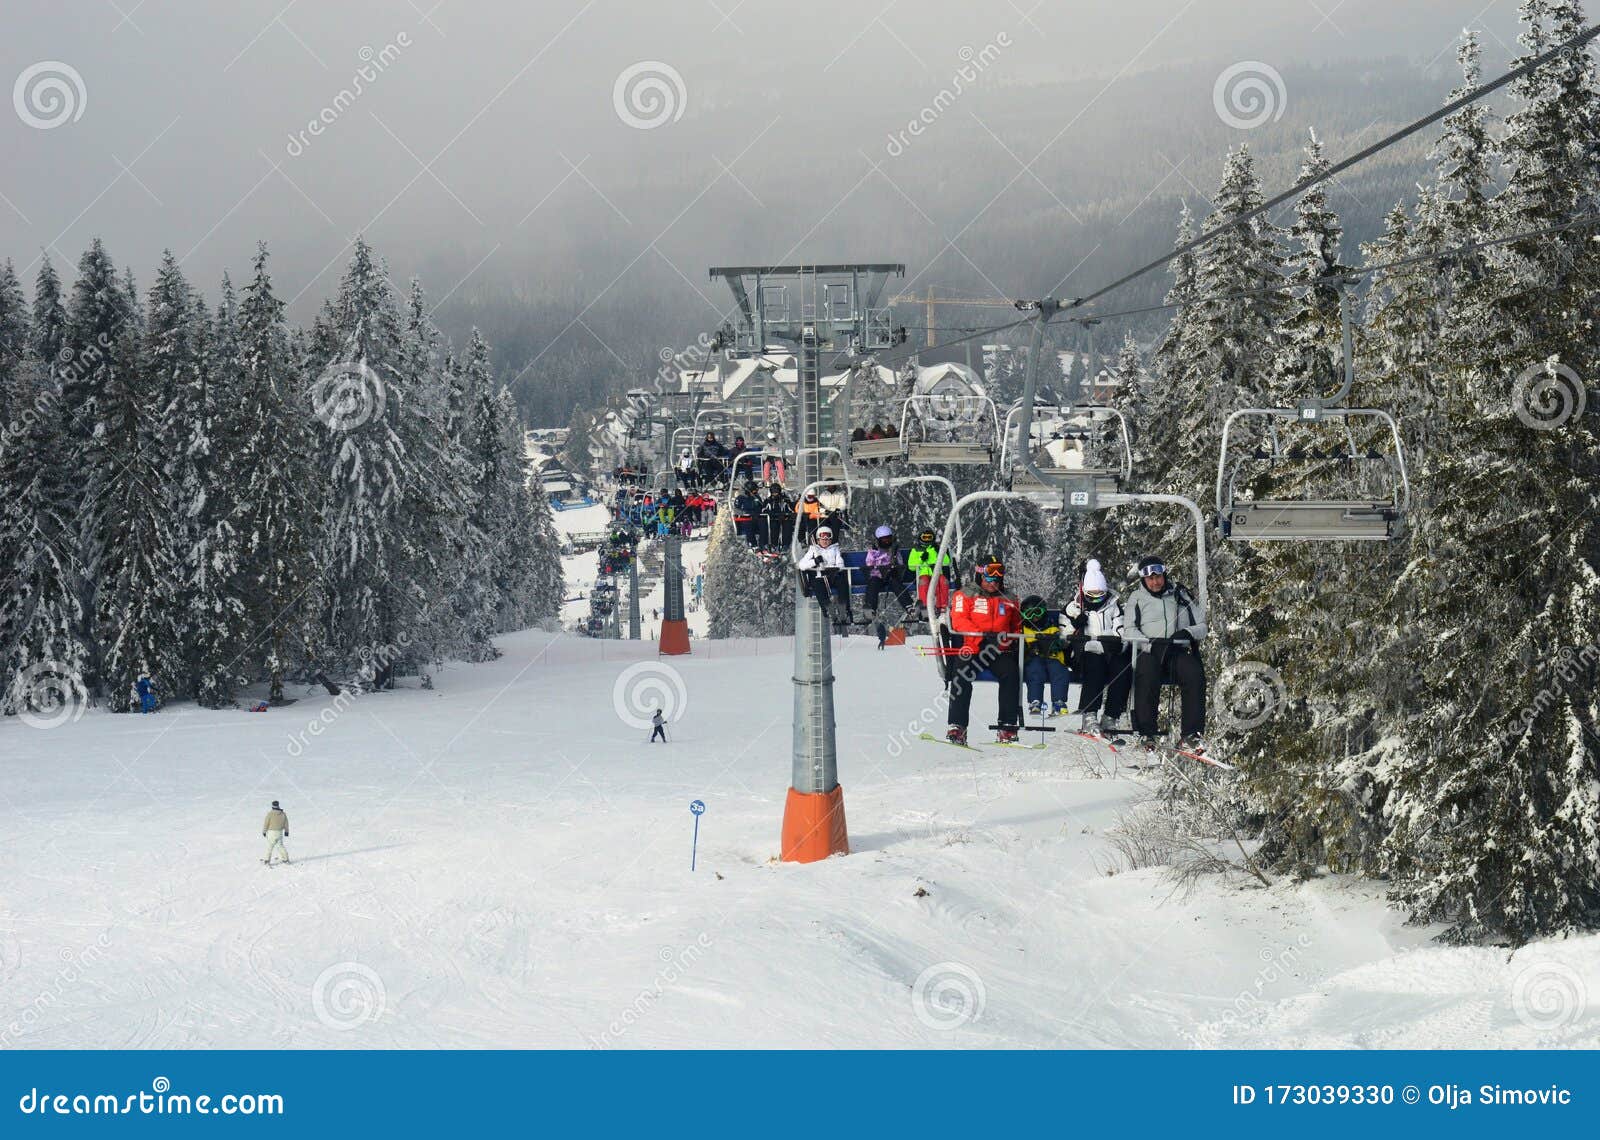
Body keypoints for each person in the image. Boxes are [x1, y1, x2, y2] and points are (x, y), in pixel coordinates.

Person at [1126, 554, 1207, 752]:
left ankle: (1191, 733)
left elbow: (1202, 627)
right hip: (1149, 651)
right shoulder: (1136, 598)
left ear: (1164, 575)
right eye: (1150, 579)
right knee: (1147, 672)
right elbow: (1129, 630)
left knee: (1193, 672)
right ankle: (1147, 732)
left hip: (1174, 650)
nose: (1155, 582)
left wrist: (1186, 632)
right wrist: (1150, 644)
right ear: (1143, 580)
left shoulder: (1179, 595)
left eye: (1159, 577)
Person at [942, 557, 1023, 745]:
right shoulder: (965, 595)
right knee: (961, 674)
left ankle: (1007, 727)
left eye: (997, 579)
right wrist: (981, 636)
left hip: (997, 649)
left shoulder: (1009, 598)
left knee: (1011, 673)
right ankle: (958, 726)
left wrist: (1009, 638)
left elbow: (1017, 625)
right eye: (988, 578)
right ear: (979, 575)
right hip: (973, 646)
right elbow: (959, 620)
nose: (992, 583)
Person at [1062, 558, 1132, 734]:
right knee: (1095, 667)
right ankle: (1090, 714)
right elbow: (1062, 634)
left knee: (1123, 669)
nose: (1095, 600)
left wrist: (1118, 644)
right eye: (1091, 596)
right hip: (1084, 653)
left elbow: (1122, 630)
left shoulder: (1114, 607)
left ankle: (1111, 716)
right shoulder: (1074, 607)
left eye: (1099, 595)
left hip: (1110, 651)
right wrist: (1076, 627)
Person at [1019, 595, 1072, 717]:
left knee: (1060, 671)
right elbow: (1020, 647)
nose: (1035, 618)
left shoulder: (1053, 627)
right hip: (1035, 659)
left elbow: (1063, 641)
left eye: (1037, 612)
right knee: (1034, 671)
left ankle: (1059, 702)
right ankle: (1035, 701)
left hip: (1053, 657)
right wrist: (1029, 649)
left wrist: (1057, 644)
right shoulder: (1024, 630)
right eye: (1029, 614)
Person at [862, 525, 913, 642]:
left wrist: (894, 566)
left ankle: (909, 606)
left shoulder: (894, 551)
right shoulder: (873, 551)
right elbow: (869, 564)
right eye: (884, 539)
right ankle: (871, 608)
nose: (886, 541)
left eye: (888, 539)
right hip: (878, 576)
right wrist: (879, 567)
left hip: (891, 576)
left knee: (896, 584)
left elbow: (900, 563)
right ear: (878, 540)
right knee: (872, 584)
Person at [795, 525, 852, 626]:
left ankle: (844, 608)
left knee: (842, 582)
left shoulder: (834, 549)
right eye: (823, 538)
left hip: (833, 575)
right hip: (819, 576)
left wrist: (836, 568)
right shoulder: (813, 550)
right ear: (818, 540)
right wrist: (815, 561)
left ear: (831, 539)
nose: (825, 541)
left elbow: (840, 562)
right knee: (818, 586)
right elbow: (801, 565)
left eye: (828, 538)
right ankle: (828, 608)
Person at [907, 528, 953, 618]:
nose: (927, 540)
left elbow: (947, 561)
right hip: (923, 574)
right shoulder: (916, 550)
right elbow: (911, 566)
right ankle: (925, 607)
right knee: (924, 581)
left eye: (929, 538)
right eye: (925, 538)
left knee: (943, 581)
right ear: (920, 538)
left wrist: (939, 551)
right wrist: (921, 559)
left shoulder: (936, 548)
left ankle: (942, 606)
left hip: (936, 573)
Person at [761, 483, 793, 550]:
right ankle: (774, 544)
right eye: (773, 493)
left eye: (776, 492)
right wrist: (770, 513)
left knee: (787, 526)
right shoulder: (768, 500)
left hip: (783, 518)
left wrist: (785, 514)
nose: (775, 494)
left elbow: (791, 509)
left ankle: (785, 544)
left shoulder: (784, 500)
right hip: (773, 519)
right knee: (773, 527)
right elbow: (763, 510)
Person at [262, 800, 290, 865]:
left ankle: (267, 860)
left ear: (272, 806)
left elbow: (266, 823)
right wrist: (286, 831)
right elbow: (286, 823)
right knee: (280, 846)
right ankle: (286, 859)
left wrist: (264, 831)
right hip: (279, 832)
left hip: (271, 832)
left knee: (270, 846)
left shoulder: (270, 814)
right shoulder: (283, 814)